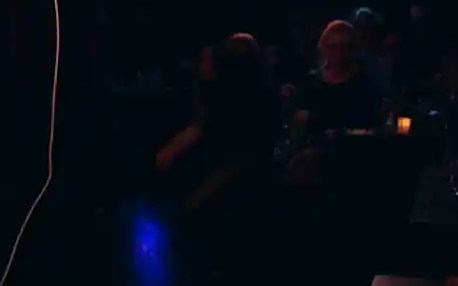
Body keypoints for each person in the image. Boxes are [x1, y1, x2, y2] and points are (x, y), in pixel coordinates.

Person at [155, 33, 277, 210]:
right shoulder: (211, 92)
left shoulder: (250, 99)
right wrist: (171, 150)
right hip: (220, 164)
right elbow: (200, 126)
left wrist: (198, 197)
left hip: (242, 176)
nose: (203, 65)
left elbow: (237, 158)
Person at [292, 20, 382, 137]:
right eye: (333, 47)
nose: (339, 53)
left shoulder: (365, 85)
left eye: (345, 47)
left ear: (354, 49)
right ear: (324, 49)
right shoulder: (312, 82)